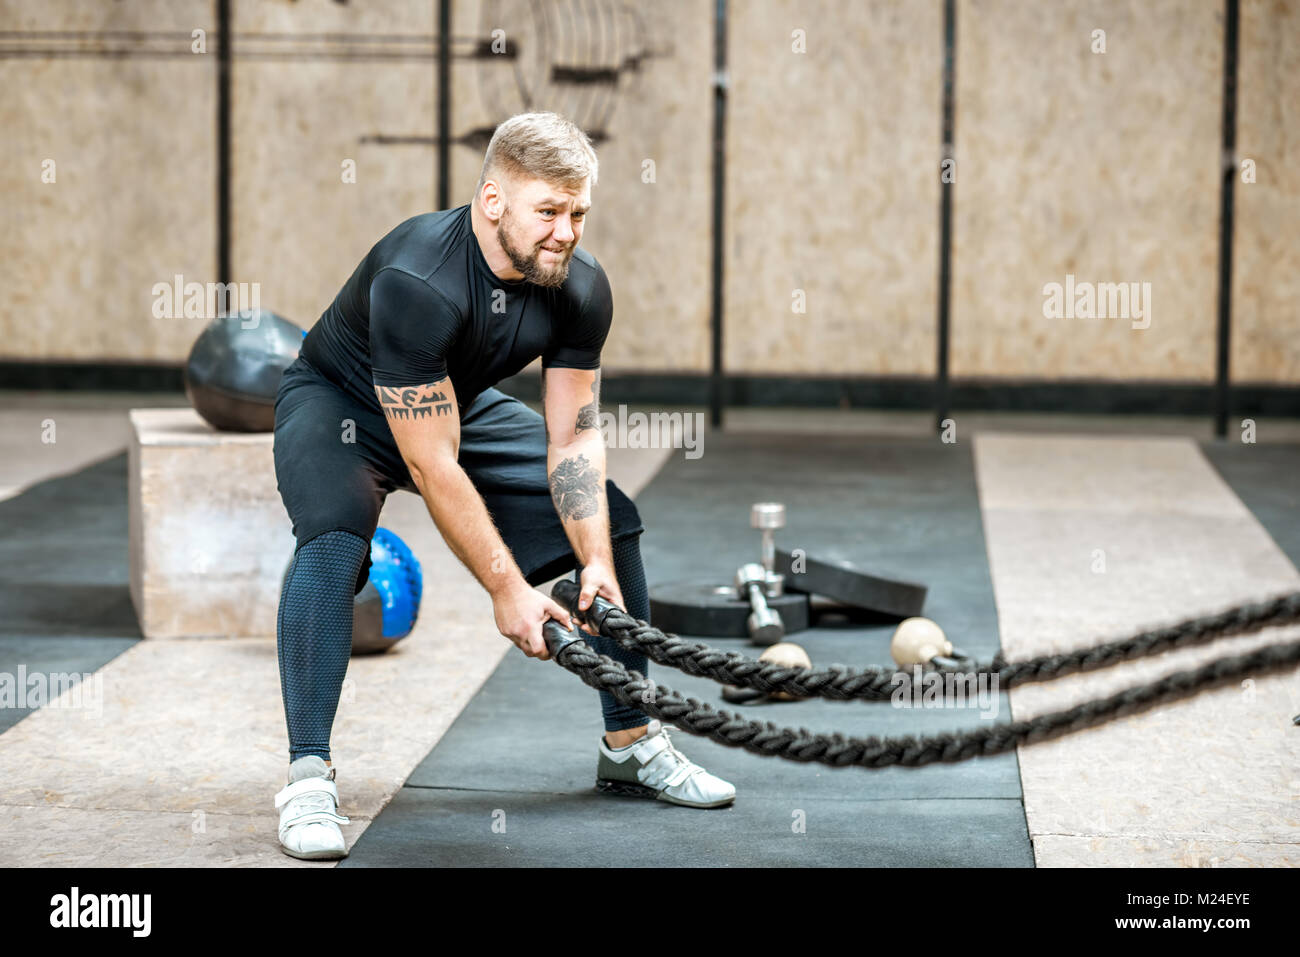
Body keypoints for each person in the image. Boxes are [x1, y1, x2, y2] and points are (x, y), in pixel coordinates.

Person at [270, 111, 735, 860]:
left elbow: (573, 437)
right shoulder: (418, 278)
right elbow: (432, 464)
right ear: (493, 201)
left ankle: (631, 740)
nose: (566, 231)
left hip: (451, 398)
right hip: (340, 403)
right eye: (548, 211)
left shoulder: (579, 288)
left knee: (612, 521)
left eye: (578, 211)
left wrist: (594, 563)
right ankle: (308, 776)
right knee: (332, 539)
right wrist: (507, 586)